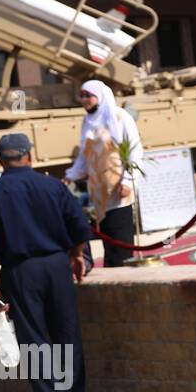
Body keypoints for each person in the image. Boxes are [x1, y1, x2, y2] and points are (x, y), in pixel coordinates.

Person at [0, 133, 90, 392]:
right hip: (56, 266)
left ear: (0, 160)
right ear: (30, 156)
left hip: (20, 272)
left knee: (34, 339)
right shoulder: (53, 187)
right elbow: (80, 226)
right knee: (67, 331)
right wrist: (76, 256)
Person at [64, 80, 142, 268]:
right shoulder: (88, 121)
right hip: (99, 191)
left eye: (88, 95)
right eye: (81, 96)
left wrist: (128, 181)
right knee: (107, 235)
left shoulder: (120, 116)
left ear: (100, 96)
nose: (84, 100)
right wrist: (71, 176)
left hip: (118, 188)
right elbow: (85, 156)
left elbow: (134, 150)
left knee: (120, 236)